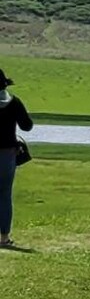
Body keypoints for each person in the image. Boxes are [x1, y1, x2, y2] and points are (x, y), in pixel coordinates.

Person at [0, 68, 31, 250]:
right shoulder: (14, 102)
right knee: (4, 194)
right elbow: (27, 126)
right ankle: (4, 237)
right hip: (6, 154)